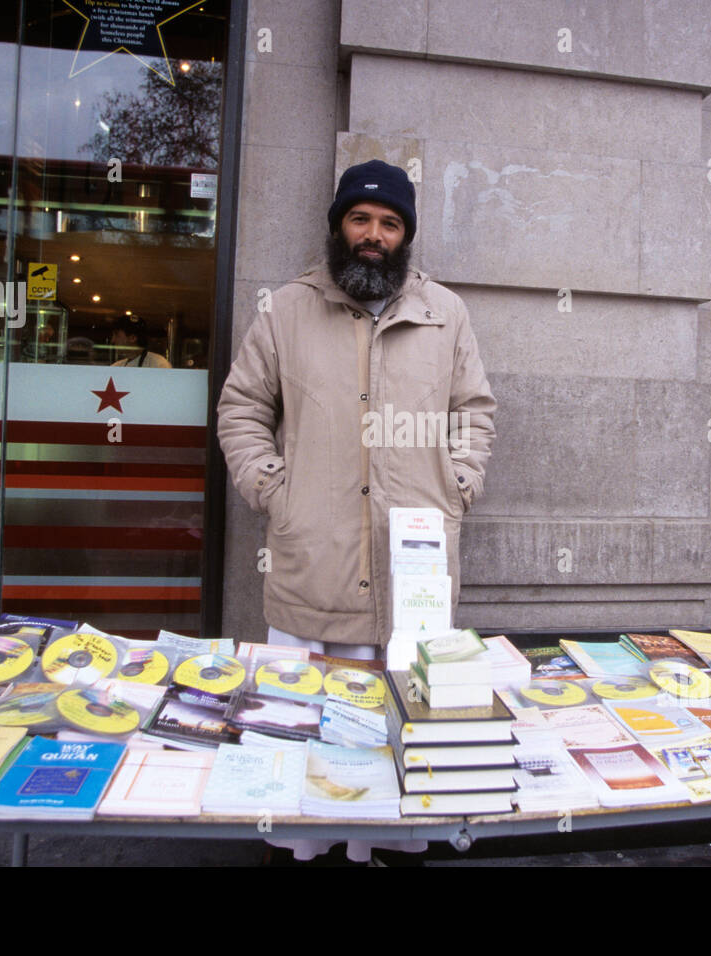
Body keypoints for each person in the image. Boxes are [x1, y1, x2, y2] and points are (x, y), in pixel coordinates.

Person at [216, 158, 496, 863]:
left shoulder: (445, 313)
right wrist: (275, 492)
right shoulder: (285, 310)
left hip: (413, 583)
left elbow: (474, 413)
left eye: (390, 223)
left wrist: (456, 482)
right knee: (309, 773)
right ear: (339, 225)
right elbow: (243, 409)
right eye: (361, 219)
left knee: (399, 766)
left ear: (406, 235)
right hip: (315, 576)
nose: (374, 234)